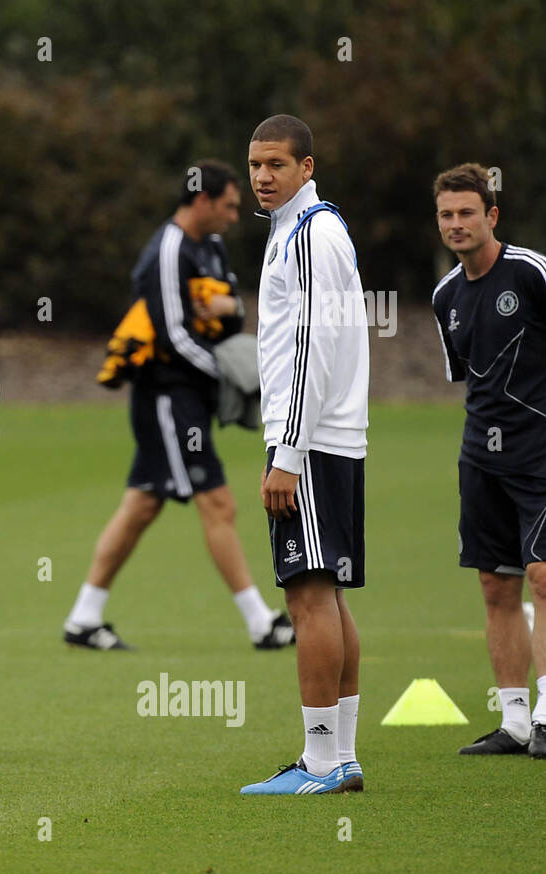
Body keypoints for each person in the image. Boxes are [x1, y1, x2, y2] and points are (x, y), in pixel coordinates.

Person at [63, 161, 294, 652]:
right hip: (166, 398)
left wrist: (229, 311)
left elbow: (234, 302)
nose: (236, 215)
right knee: (218, 502)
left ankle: (84, 617)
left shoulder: (210, 245)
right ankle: (261, 623)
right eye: (230, 205)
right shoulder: (168, 249)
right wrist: (232, 374)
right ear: (203, 201)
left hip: (190, 397)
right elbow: (173, 337)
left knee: (143, 504)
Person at [240, 115, 369, 795]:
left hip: (312, 441)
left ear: (307, 167)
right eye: (256, 164)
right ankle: (340, 757)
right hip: (323, 437)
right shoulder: (295, 231)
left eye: (277, 165)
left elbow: (316, 344)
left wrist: (287, 451)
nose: (263, 176)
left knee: (309, 595)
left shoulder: (313, 232)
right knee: (326, 592)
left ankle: (321, 762)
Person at [431, 163, 546, 756]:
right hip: (480, 458)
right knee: (496, 587)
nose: (456, 224)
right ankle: (517, 723)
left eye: (467, 212)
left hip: (541, 453)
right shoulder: (444, 294)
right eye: (447, 214)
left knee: (543, 575)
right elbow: (467, 381)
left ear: (491, 215)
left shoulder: (529, 272)